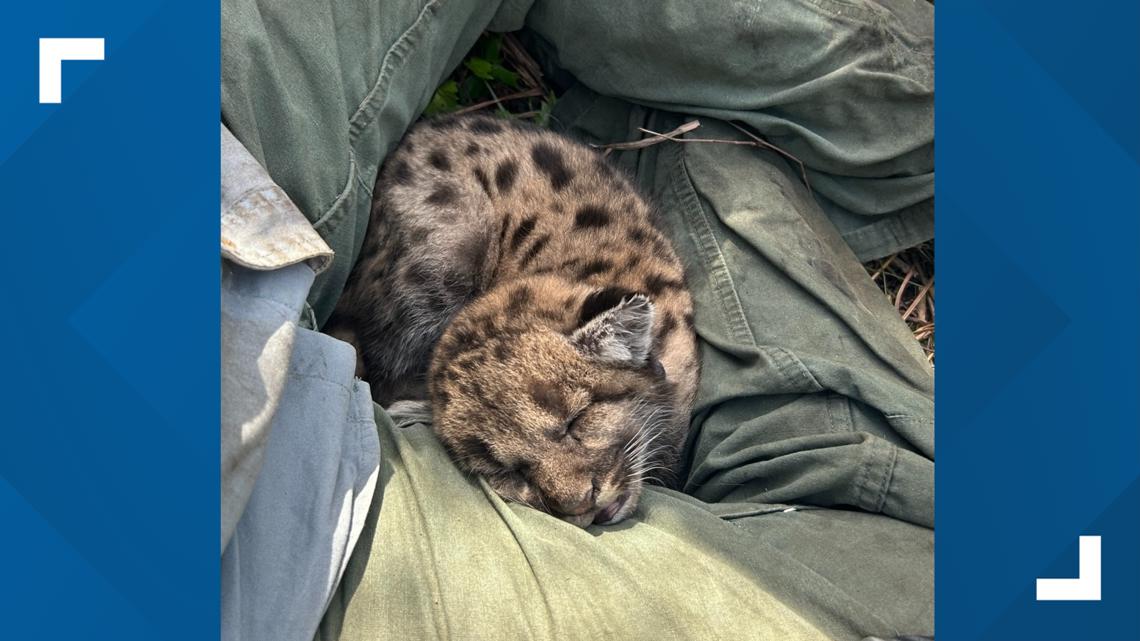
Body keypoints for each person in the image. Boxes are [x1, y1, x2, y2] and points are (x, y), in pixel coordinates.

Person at [220, 1, 934, 639]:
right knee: (921, 555)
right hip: (288, 537)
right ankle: (684, 126)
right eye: (520, 468)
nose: (566, 491)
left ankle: (683, 121)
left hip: (226, 228)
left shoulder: (607, 340)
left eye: (573, 427)